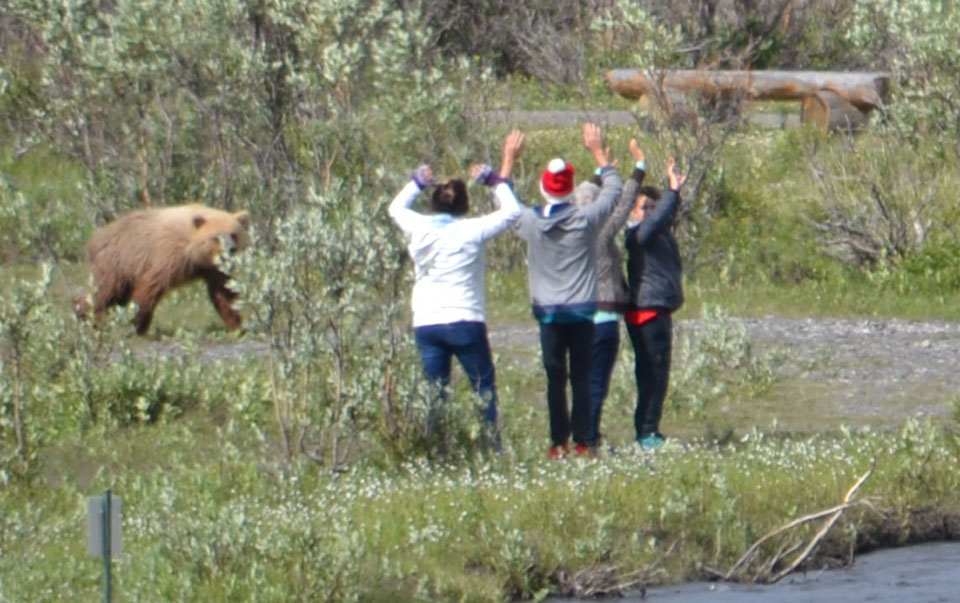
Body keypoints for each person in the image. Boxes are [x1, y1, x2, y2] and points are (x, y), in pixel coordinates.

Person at [388, 130, 526, 444]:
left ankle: (437, 447)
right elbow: (513, 212)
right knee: (483, 389)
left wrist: (416, 182)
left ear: (433, 203)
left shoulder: (419, 227)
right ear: (464, 206)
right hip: (465, 318)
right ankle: (489, 445)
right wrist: (493, 181)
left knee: (435, 394)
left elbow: (395, 209)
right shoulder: (471, 229)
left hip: (427, 322)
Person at [513, 123, 624, 458]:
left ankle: (557, 442)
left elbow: (505, 204)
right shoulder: (586, 219)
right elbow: (614, 190)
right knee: (581, 378)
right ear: (572, 187)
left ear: (542, 187)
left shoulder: (530, 222)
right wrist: (597, 150)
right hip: (582, 312)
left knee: (554, 380)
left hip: (549, 314)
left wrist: (507, 160)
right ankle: (583, 441)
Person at [573, 138, 648, 449]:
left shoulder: (565, 229)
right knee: (596, 382)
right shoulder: (601, 231)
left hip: (574, 318)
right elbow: (623, 201)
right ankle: (588, 439)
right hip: (602, 316)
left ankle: (583, 435)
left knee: (580, 381)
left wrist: (600, 174)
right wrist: (638, 169)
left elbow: (585, 195)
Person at [624, 156, 687, 450]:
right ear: (633, 213)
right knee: (652, 373)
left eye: (652, 206)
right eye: (643, 208)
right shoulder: (639, 234)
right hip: (647, 311)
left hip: (657, 310)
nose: (649, 212)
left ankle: (648, 429)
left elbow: (667, 217)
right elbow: (660, 218)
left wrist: (674, 192)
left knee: (656, 375)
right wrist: (672, 192)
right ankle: (647, 433)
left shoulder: (658, 233)